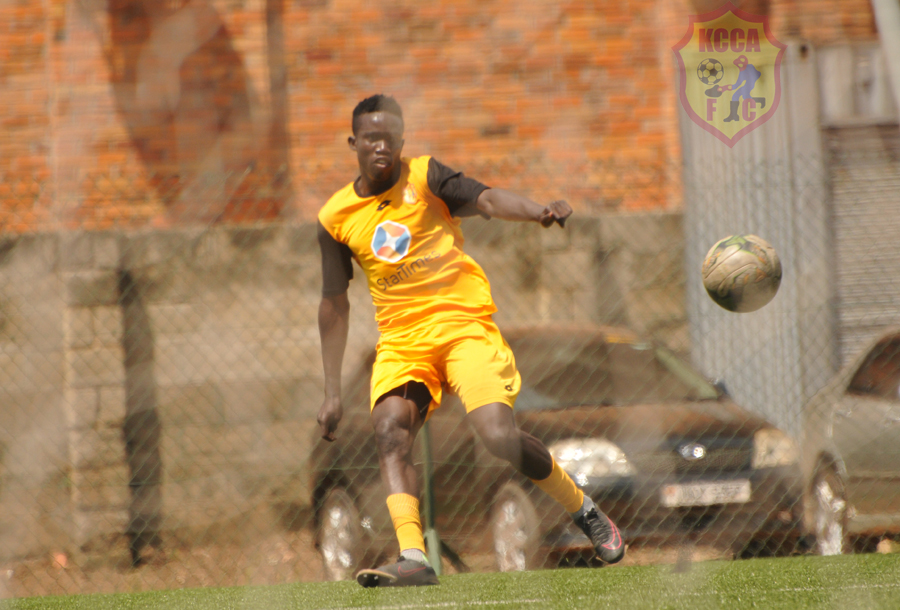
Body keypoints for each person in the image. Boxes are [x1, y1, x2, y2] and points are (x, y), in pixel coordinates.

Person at [316, 94, 624, 588]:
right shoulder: (335, 217)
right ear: (353, 142)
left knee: (497, 436)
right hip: (403, 341)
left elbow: (486, 199)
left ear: (401, 141)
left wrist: (536, 211)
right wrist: (332, 391)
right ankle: (414, 556)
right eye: (370, 137)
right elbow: (334, 303)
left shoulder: (426, 176)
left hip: (463, 327)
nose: (381, 146)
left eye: (390, 137)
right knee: (390, 430)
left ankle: (584, 510)